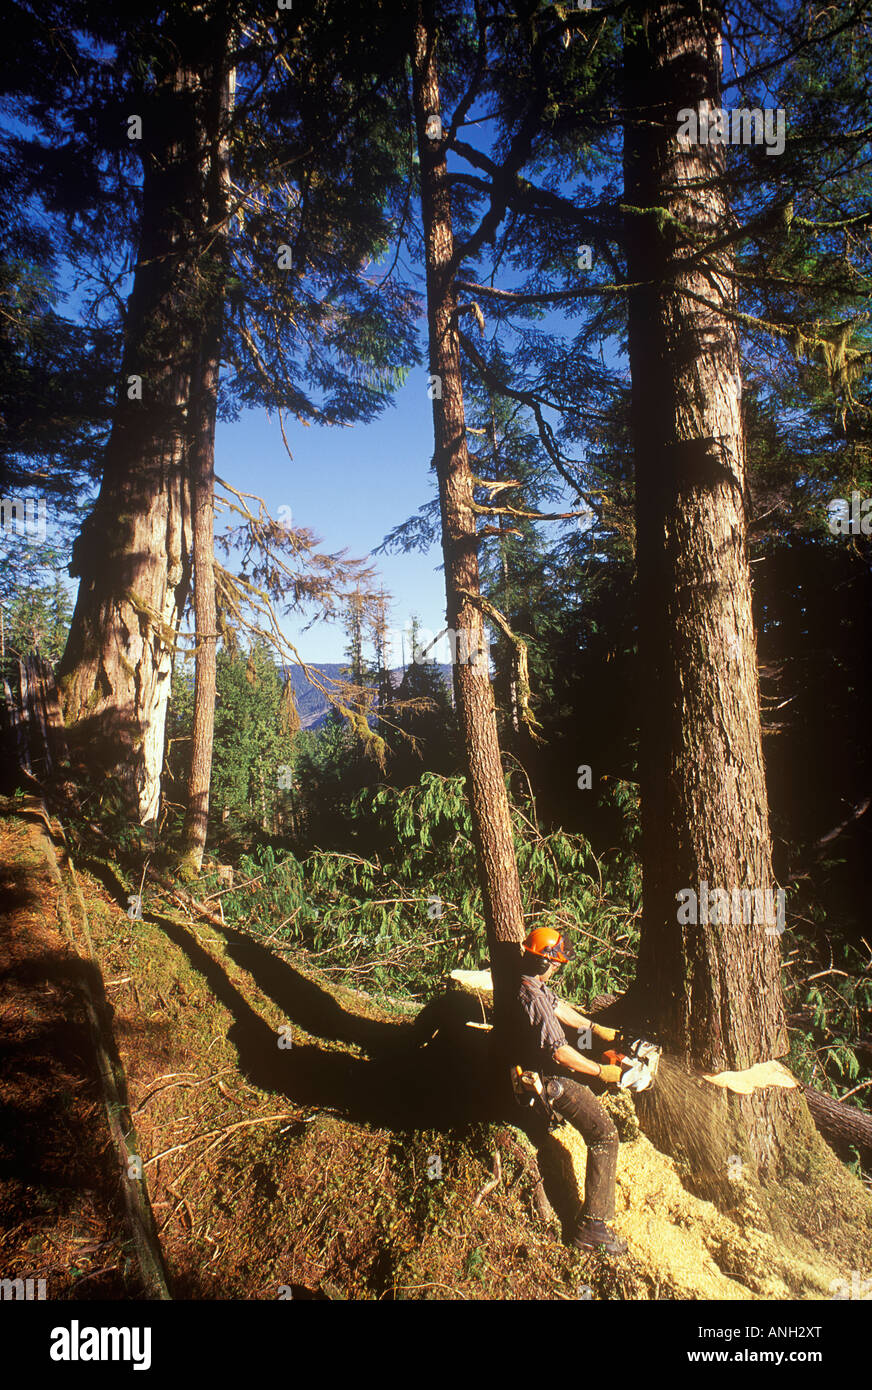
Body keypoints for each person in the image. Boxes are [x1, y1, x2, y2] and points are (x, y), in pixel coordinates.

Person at [505, 926, 629, 1256]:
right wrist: (603, 1071)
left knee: (590, 1085)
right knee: (605, 1135)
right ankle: (593, 1228)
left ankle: (594, 1225)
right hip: (549, 1083)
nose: (560, 964)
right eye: (557, 959)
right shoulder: (531, 997)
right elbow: (560, 1052)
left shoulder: (532, 985)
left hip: (544, 1074)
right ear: (547, 961)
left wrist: (597, 1029)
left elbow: (559, 1009)